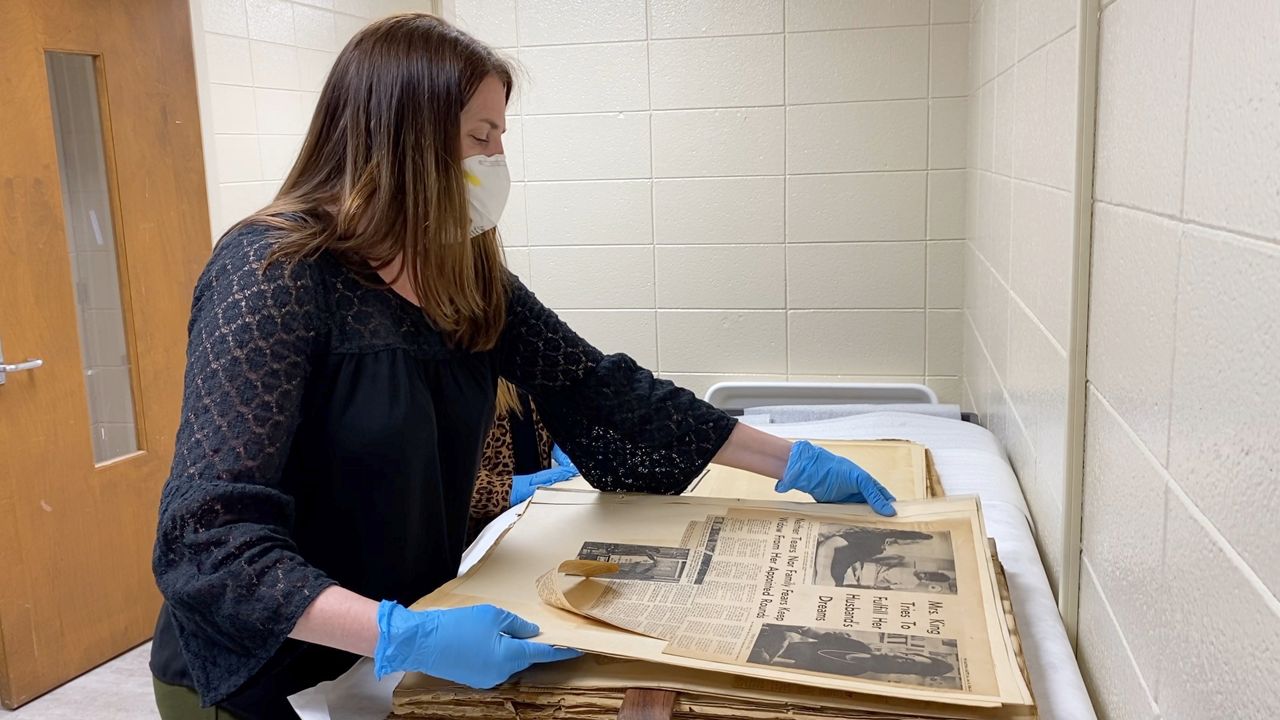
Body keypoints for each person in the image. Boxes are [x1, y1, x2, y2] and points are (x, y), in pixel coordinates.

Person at [148, 14, 896, 719]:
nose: (495, 163)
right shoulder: (272, 272)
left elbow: (601, 387)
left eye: (500, 138)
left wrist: (790, 461)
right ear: (404, 137)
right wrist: (402, 635)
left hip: (389, 643)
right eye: (480, 138)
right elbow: (206, 537)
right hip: (250, 666)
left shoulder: (461, 276)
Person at [466, 380, 577, 545]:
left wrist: (556, 439)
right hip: (484, 537)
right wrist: (509, 491)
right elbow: (451, 483)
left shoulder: (526, 381)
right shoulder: (468, 391)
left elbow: (532, 428)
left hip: (534, 517)